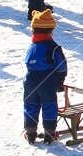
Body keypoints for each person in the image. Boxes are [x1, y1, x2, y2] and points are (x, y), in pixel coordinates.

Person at [23, 8, 67, 144]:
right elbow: (62, 66)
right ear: (50, 31)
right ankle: (49, 133)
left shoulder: (32, 47)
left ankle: (30, 132)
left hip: (30, 81)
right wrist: (60, 81)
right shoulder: (53, 47)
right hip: (47, 82)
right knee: (49, 106)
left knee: (30, 105)